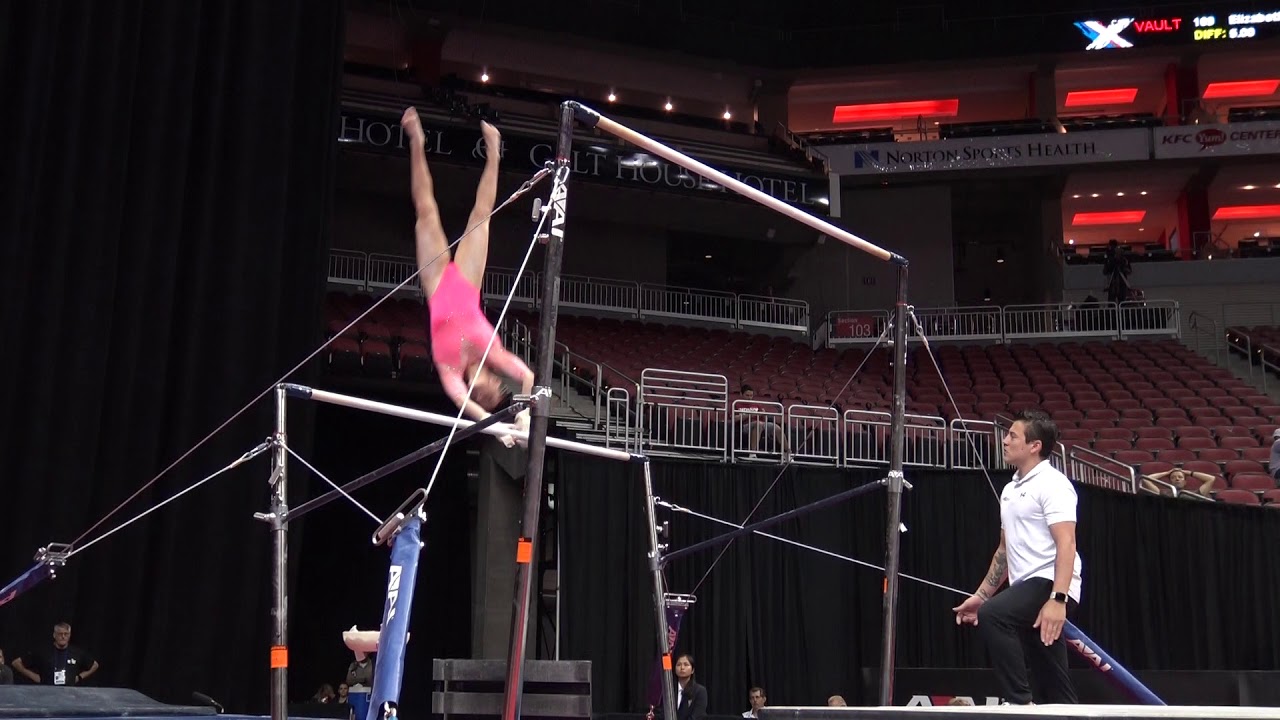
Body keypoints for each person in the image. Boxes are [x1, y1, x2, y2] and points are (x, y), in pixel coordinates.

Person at [402, 106, 533, 444]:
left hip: (435, 283)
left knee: (426, 211)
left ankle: (416, 140)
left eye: (483, 401)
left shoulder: (450, 371)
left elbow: (461, 401)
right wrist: (523, 411)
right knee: (481, 216)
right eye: (490, 395)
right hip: (468, 282)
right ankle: (494, 152)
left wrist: (491, 425)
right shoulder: (494, 352)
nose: (483, 396)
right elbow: (529, 376)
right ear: (496, 382)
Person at [953, 409, 1082, 706]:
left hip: (1051, 583)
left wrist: (1058, 599)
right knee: (1053, 683)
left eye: (1013, 435)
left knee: (995, 616)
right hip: (1027, 587)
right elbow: (1003, 551)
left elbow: (1067, 542)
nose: (1005, 440)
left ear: (1034, 446)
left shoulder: (1053, 483)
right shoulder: (1011, 489)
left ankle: (1020, 704)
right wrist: (982, 595)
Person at [12, 622, 99, 686]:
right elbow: (16, 663)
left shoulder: (77, 652)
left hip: (69, 693)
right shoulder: (43, 651)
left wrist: (79, 677)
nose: (63, 636)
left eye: (66, 634)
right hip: (47, 692)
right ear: (54, 635)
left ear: (69, 635)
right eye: (60, 634)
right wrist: (34, 676)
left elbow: (94, 665)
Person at [672, 654, 707, 720]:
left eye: (686, 665)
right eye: (679, 665)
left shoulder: (700, 691)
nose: (682, 668)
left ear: (692, 670)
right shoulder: (669, 691)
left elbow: (697, 715)